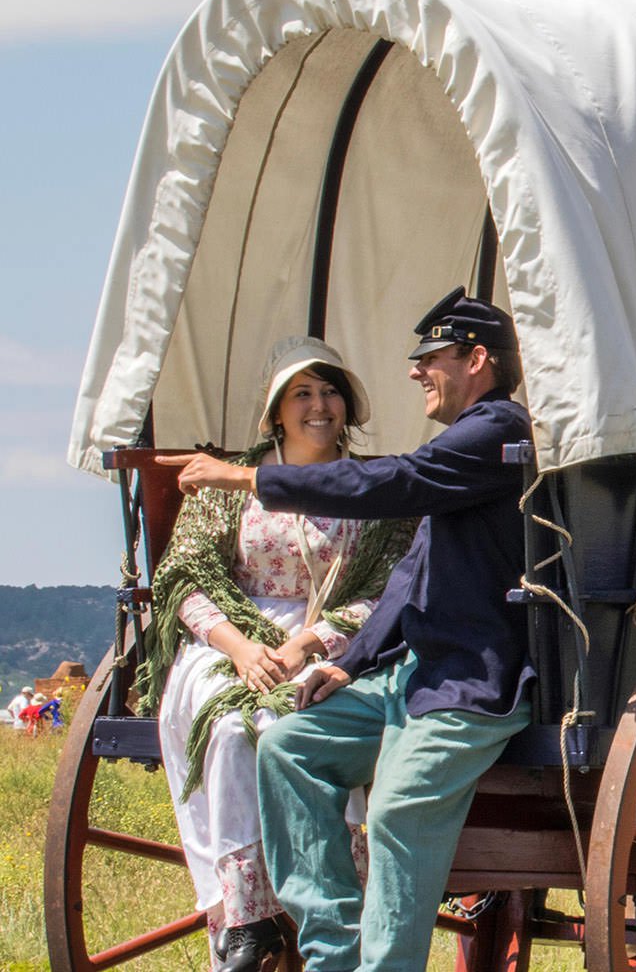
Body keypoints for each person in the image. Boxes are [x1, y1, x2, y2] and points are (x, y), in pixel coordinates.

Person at [161, 288, 534, 972]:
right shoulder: (460, 443)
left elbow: (392, 483)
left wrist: (248, 476)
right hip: (410, 676)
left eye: (433, 358)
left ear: (477, 359)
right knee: (290, 748)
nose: (418, 371)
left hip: (470, 684)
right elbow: (411, 575)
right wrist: (350, 663)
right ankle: (331, 955)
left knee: (397, 813)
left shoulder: (500, 429)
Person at [141, 337, 417, 972]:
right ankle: (246, 922)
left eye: (329, 391)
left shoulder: (373, 487)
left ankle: (326, 901)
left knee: (293, 728)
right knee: (235, 728)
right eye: (303, 393)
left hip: (337, 641)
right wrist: (240, 648)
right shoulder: (228, 481)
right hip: (232, 637)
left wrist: (308, 643)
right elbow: (184, 576)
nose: (319, 405)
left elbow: (392, 587)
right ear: (276, 412)